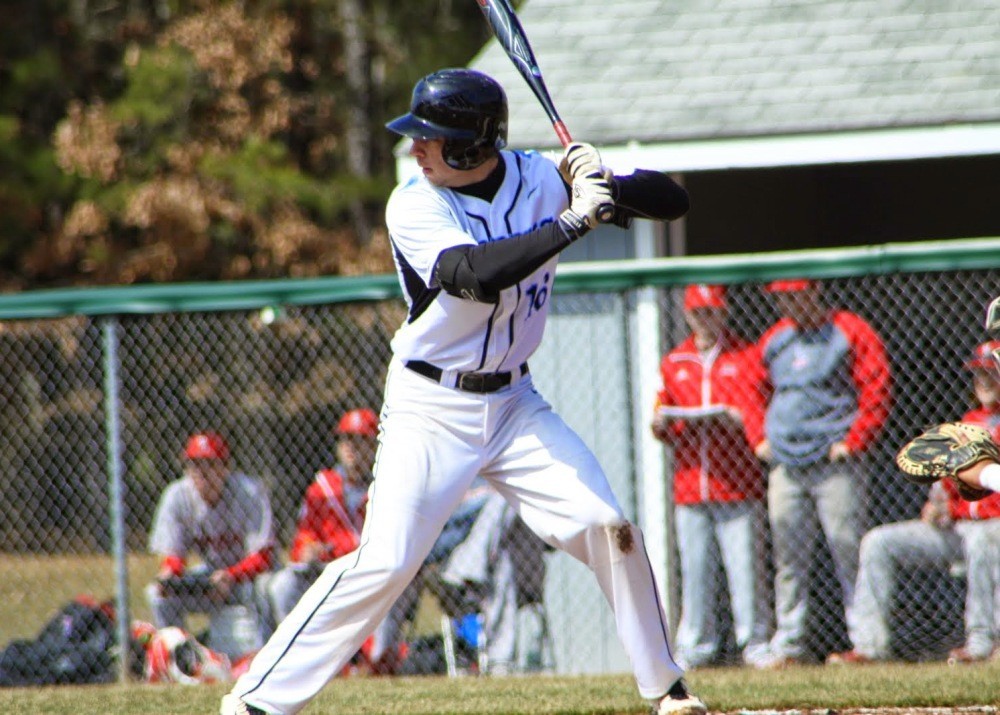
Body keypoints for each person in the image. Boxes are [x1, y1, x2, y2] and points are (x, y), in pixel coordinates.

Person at [222, 67, 704, 715]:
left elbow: (674, 202)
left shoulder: (540, 178)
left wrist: (607, 182)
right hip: (431, 406)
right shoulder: (414, 202)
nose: (417, 147)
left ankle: (668, 688)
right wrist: (573, 221)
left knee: (607, 525)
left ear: (473, 145)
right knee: (387, 561)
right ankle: (256, 701)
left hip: (515, 406)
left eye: (432, 136)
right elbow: (473, 274)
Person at [827, 340, 1000, 664]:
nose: (984, 382)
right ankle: (869, 646)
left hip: (991, 529)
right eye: (979, 374)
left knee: (983, 539)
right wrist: (938, 504)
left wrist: (964, 507)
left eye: (992, 373)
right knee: (879, 542)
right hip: (958, 529)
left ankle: (983, 643)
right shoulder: (967, 423)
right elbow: (947, 486)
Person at [754, 278, 892, 668]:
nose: (787, 305)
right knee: (788, 558)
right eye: (781, 298)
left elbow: (877, 385)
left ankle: (866, 643)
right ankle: (790, 645)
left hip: (834, 463)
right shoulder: (776, 339)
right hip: (787, 464)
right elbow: (750, 388)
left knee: (848, 549)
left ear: (813, 293)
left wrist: (856, 439)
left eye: (794, 296)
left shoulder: (849, 330)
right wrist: (758, 437)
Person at [650, 284, 770, 669]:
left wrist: (738, 419)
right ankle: (695, 647)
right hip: (691, 486)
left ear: (724, 312)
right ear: (688, 315)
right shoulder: (674, 361)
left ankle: (755, 645)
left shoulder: (747, 355)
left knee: (745, 571)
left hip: (736, 485)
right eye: (698, 313)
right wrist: (660, 423)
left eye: (712, 312)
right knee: (695, 571)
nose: (705, 319)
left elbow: (759, 412)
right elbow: (661, 414)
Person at [146, 432, 276, 660]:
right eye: (195, 465)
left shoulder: (249, 492)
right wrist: (171, 576)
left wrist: (231, 576)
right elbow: (173, 555)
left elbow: (263, 557)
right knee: (158, 595)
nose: (202, 472)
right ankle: (182, 660)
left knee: (267, 586)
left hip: (248, 579)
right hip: (210, 580)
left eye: (210, 464)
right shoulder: (177, 496)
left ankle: (267, 658)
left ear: (226, 468)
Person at [266, 409, 378, 627]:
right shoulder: (323, 488)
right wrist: (308, 549)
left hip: (368, 575)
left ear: (374, 446)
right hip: (326, 572)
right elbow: (304, 536)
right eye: (346, 439)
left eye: (360, 440)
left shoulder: (384, 486)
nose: (351, 447)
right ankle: (297, 645)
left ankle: (377, 650)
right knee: (282, 586)